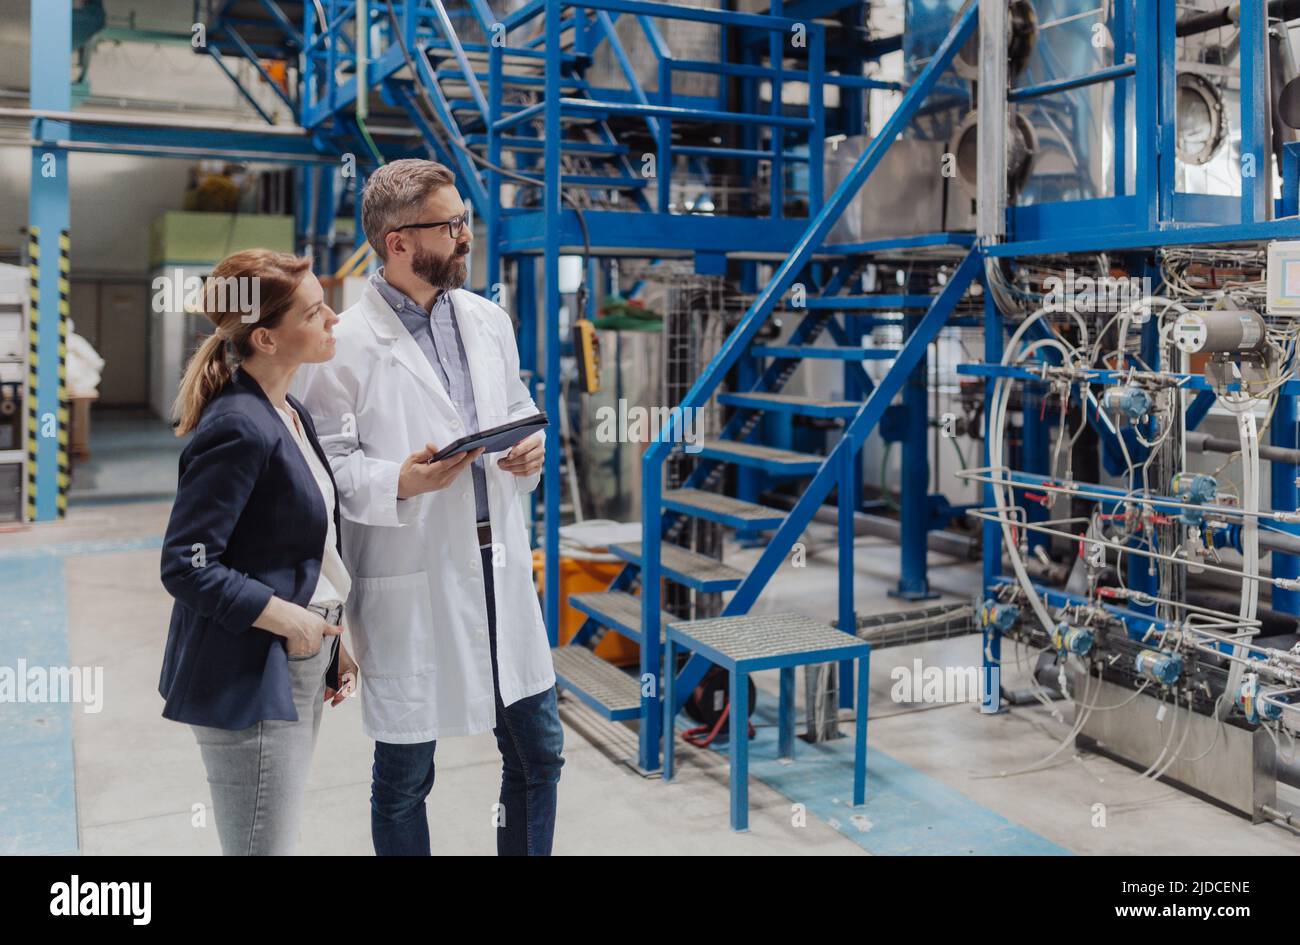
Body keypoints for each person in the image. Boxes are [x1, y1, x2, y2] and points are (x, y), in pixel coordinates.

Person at [295, 158, 563, 856]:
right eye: (451, 226)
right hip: (410, 572)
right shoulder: (343, 342)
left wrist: (530, 447)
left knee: (539, 752)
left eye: (464, 221)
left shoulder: (487, 319)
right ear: (400, 243)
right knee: (406, 776)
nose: (465, 236)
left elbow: (516, 410)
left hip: (497, 563)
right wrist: (400, 482)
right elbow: (327, 469)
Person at [159, 249, 358, 856]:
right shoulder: (239, 425)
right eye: (316, 311)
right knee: (259, 848)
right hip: (249, 667)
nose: (333, 321)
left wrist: (331, 633)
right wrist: (295, 620)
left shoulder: (288, 411)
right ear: (267, 337)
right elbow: (186, 562)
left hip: (297, 653)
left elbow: (299, 542)